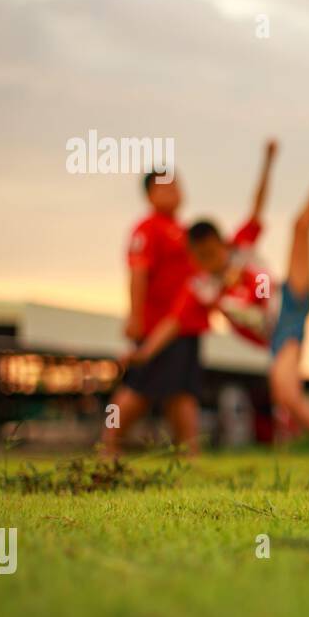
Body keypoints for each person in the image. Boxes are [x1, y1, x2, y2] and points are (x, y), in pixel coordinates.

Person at [124, 119, 309, 460]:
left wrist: (268, 162)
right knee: (287, 398)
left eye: (214, 252)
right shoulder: (202, 288)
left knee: (301, 224)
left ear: (223, 243)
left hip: (288, 303)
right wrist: (144, 352)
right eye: (202, 257)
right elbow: (173, 324)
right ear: (194, 258)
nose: (211, 261)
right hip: (277, 332)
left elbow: (258, 204)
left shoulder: (240, 247)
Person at [102, 167, 203, 455]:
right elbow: (138, 272)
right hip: (156, 328)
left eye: (177, 186)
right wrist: (135, 317)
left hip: (184, 327)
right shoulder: (147, 229)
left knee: (183, 392)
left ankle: (189, 455)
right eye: (166, 188)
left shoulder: (184, 232)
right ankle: (109, 444)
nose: (174, 192)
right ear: (150, 194)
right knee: (138, 390)